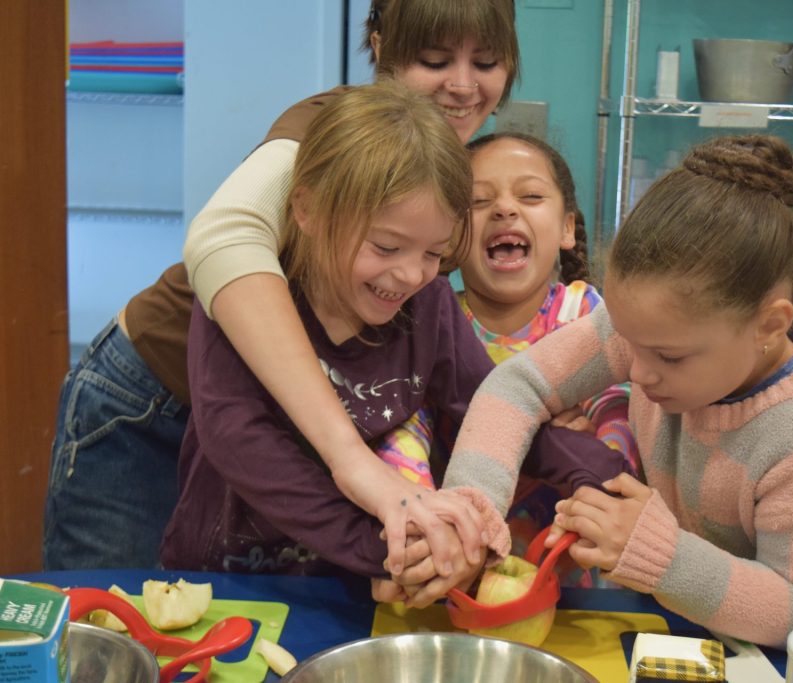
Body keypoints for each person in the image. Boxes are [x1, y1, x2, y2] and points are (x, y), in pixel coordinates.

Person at [43, 0, 519, 572]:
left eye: (486, 62)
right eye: (435, 60)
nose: (463, 85)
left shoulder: (442, 163)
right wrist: (355, 466)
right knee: (109, 609)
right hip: (152, 397)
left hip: (255, 434)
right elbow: (222, 240)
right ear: (380, 47)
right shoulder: (329, 128)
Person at [161, 81, 629, 583]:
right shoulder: (246, 301)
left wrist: (603, 478)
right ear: (308, 209)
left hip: (354, 586)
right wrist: (383, 551)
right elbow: (241, 441)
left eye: (433, 253)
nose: (409, 276)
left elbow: (492, 410)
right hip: (227, 579)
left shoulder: (427, 305)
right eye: (386, 247)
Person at [437, 135, 793, 646]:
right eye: (629, 344)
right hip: (681, 615)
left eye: (668, 359)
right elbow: (519, 383)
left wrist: (663, 557)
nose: (639, 376)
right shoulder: (652, 331)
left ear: (768, 326)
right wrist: (473, 505)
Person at [375, 132, 638, 586]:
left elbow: (619, 404)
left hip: (560, 575)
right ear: (448, 235)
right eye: (478, 201)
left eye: (530, 196)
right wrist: (421, 519)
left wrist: (600, 462)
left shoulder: (584, 314)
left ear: (567, 229)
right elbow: (406, 423)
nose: (504, 209)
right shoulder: (432, 321)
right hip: (449, 566)